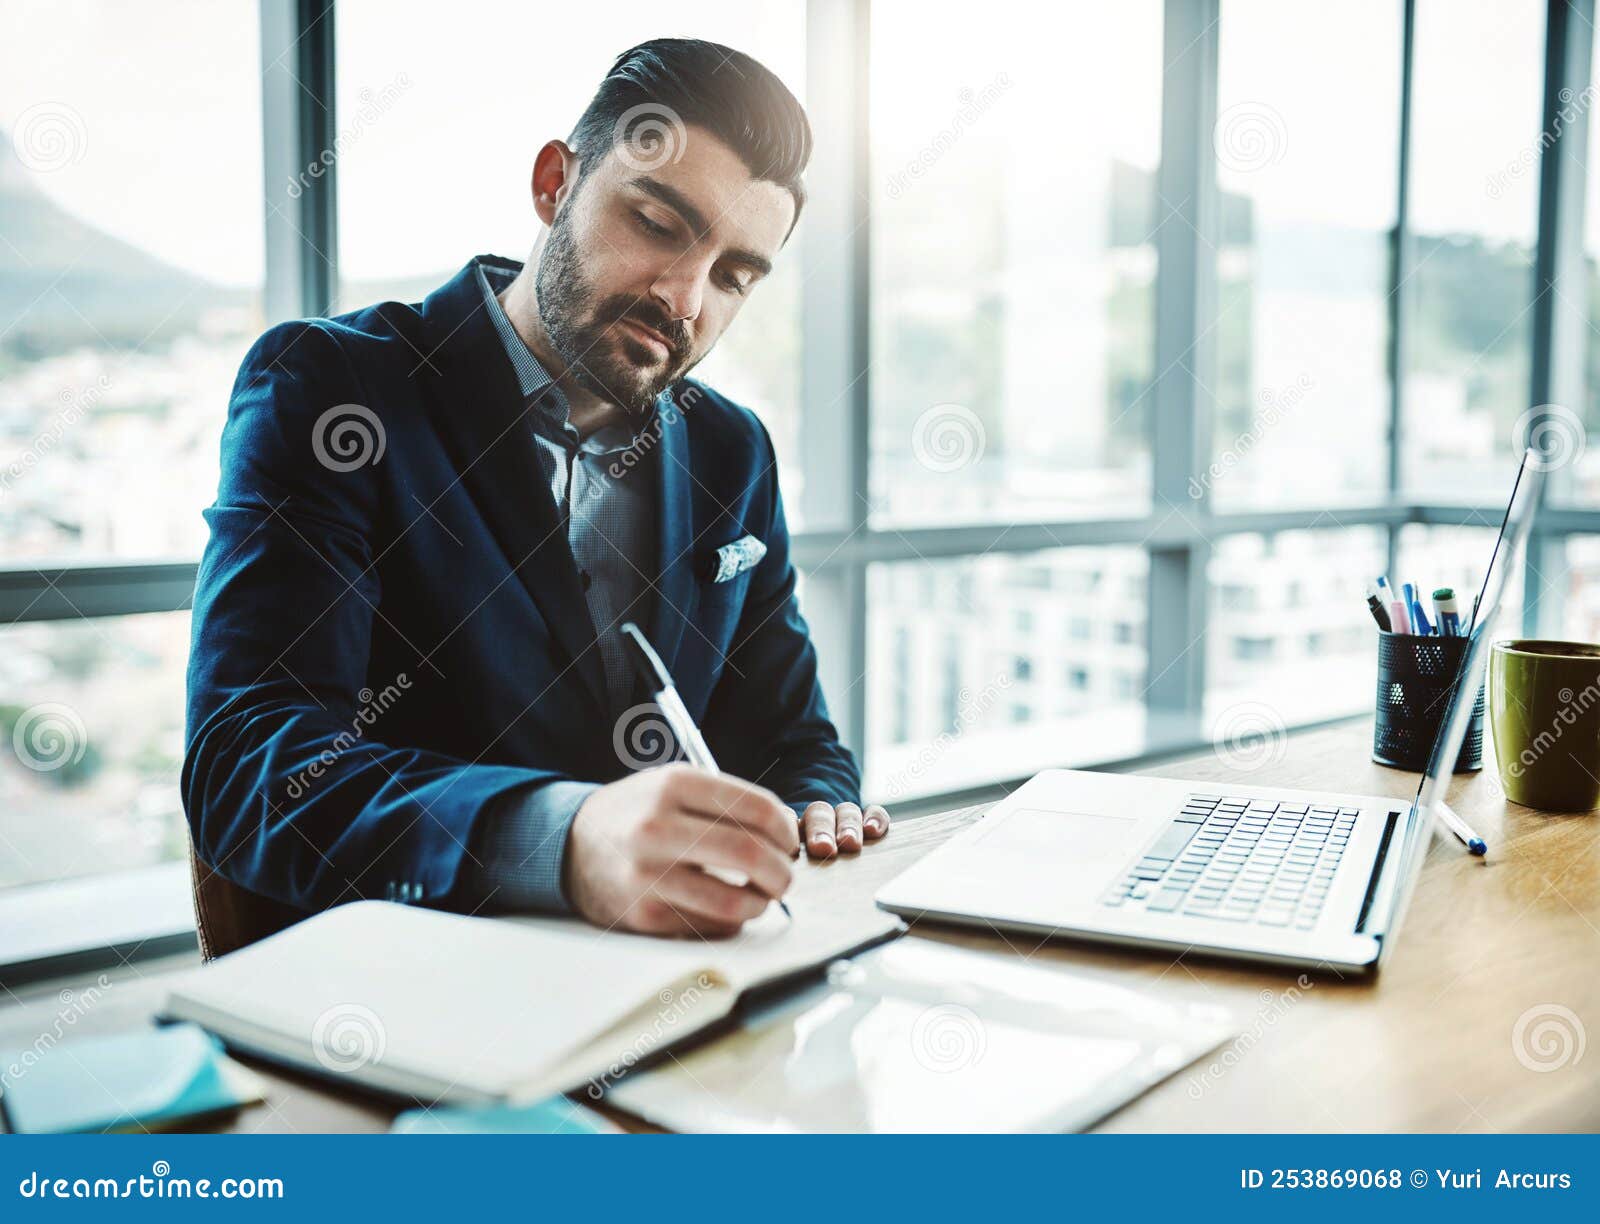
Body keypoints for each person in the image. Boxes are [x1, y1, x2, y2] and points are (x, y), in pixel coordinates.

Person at [183, 38, 888, 940]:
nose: (684, 299)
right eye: (659, 225)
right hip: (410, 996)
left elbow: (792, 736)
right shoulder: (332, 389)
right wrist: (563, 839)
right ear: (555, 183)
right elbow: (250, 769)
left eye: (733, 277)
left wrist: (818, 801)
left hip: (682, 979)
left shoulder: (731, 451)